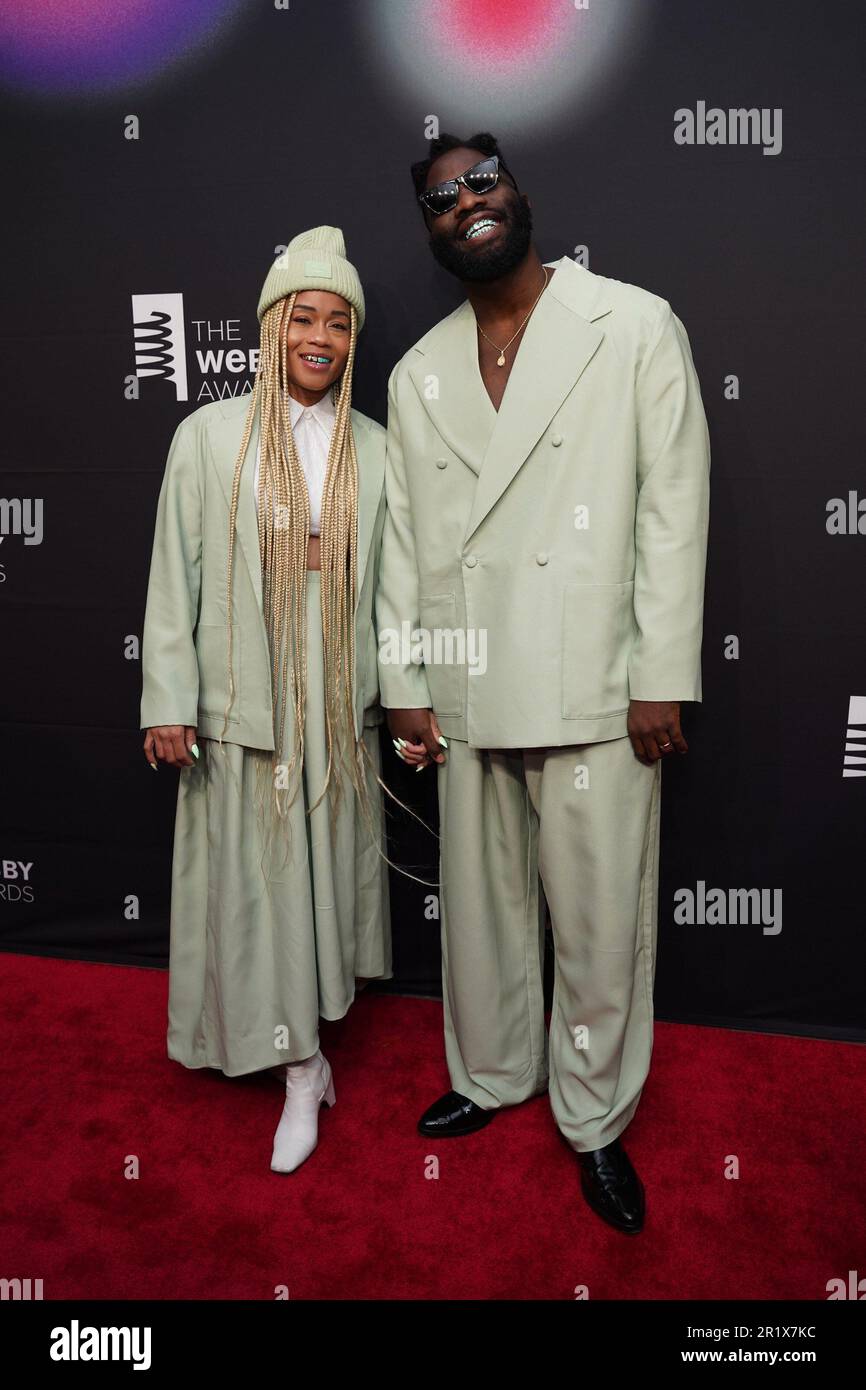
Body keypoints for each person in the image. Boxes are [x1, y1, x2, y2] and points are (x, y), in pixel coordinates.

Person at [376, 134, 711, 1233]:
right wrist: (409, 681)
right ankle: (488, 1072)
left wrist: (659, 670)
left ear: (516, 192)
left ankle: (595, 1115)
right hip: (471, 677)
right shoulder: (416, 370)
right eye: (439, 199)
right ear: (428, 228)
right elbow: (410, 545)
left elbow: (669, 506)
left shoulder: (629, 322)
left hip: (596, 683)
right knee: (476, 910)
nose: (463, 205)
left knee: (598, 918)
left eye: (479, 182)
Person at [141, 226, 391, 1174]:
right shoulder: (208, 436)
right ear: (269, 326)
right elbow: (177, 575)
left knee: (314, 886)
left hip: (333, 707)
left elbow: (396, 588)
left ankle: (304, 1063)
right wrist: (169, 699)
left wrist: (400, 700)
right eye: (302, 317)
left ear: (353, 337)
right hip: (240, 702)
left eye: (337, 320)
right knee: (257, 891)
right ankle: (299, 1066)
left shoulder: (374, 445)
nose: (319, 336)